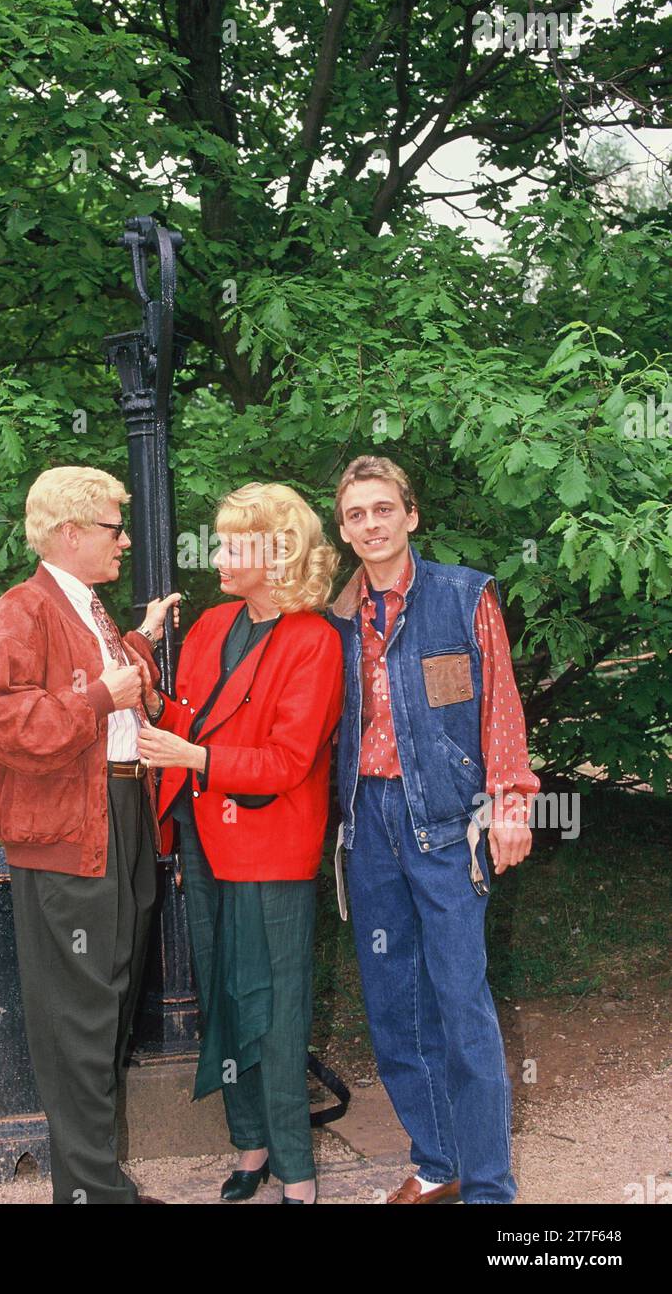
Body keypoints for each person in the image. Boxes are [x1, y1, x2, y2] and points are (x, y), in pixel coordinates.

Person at [327, 455, 539, 1206]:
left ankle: (488, 1189)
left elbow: (499, 707)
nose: (371, 524)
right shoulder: (336, 617)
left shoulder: (462, 594)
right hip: (368, 828)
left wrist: (510, 801)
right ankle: (436, 1160)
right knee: (392, 1008)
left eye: (383, 509)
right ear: (343, 529)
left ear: (410, 516)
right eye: (355, 515)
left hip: (447, 826)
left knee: (461, 1005)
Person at [0, 465, 179, 1205]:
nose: (125, 540)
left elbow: (113, 701)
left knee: (109, 1007)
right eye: (114, 527)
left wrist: (138, 642)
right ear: (70, 532)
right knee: (81, 1016)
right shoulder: (20, 611)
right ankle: (92, 1195)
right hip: (68, 838)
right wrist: (98, 692)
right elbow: (2, 724)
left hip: (119, 821)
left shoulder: (87, 609)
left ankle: (93, 1182)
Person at [137, 482, 344, 1205]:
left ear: (278, 552)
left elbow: (289, 763)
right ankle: (249, 1146)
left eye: (234, 543)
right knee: (225, 999)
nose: (217, 555)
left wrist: (191, 759)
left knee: (275, 1008)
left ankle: (297, 1170)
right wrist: (137, 679)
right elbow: (183, 717)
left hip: (269, 846)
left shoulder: (313, 639)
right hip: (203, 837)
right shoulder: (209, 625)